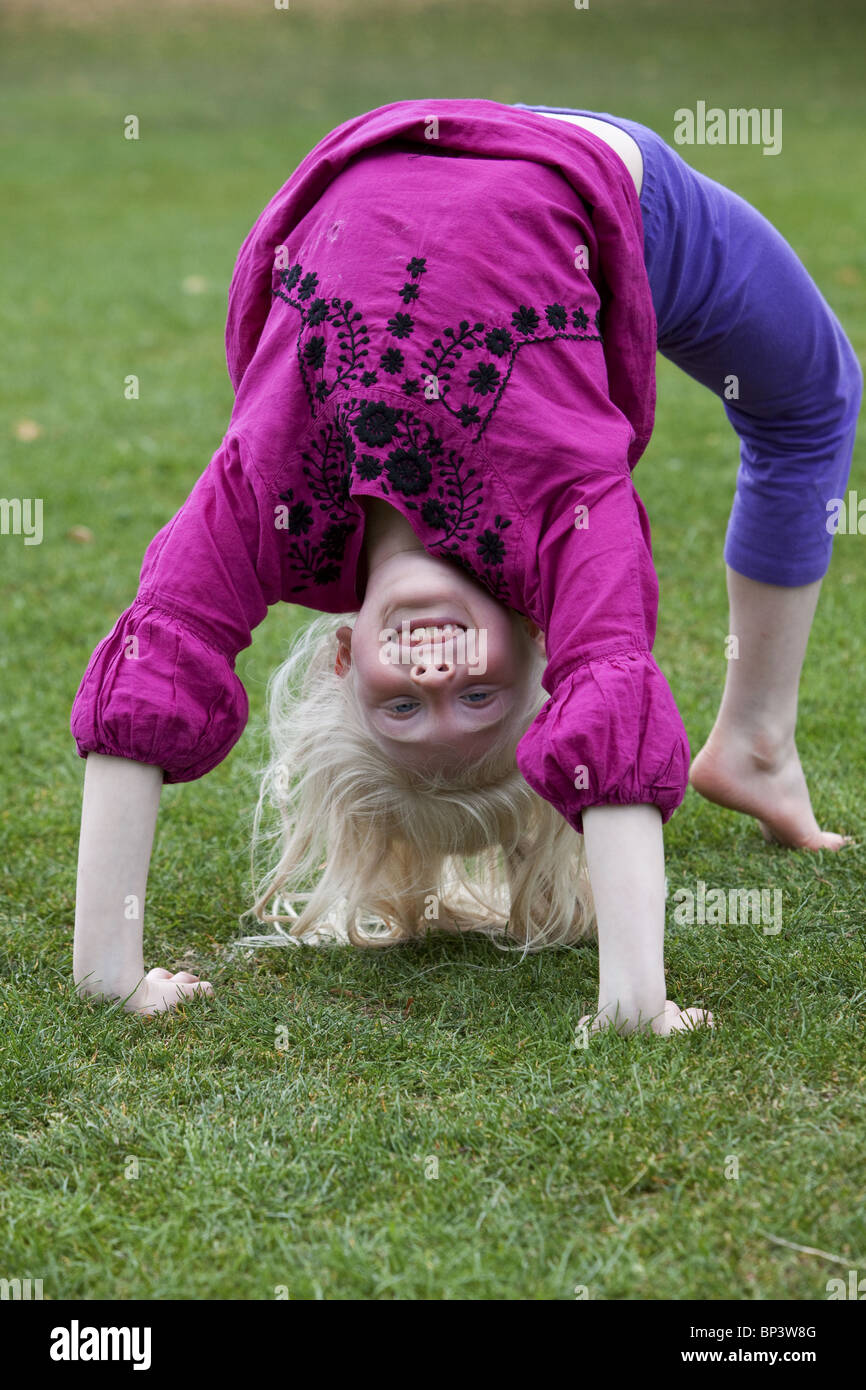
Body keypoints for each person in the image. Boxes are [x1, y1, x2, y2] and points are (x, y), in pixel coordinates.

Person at [70, 99, 861, 1032]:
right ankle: (756, 744)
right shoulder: (567, 520)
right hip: (599, 194)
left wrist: (109, 972)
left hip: (384, 141)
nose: (439, 676)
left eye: (401, 707)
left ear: (343, 660)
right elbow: (612, 693)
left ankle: (761, 748)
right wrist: (637, 1002)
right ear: (540, 641)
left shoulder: (269, 507)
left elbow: (154, 670)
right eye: (482, 701)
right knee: (812, 401)